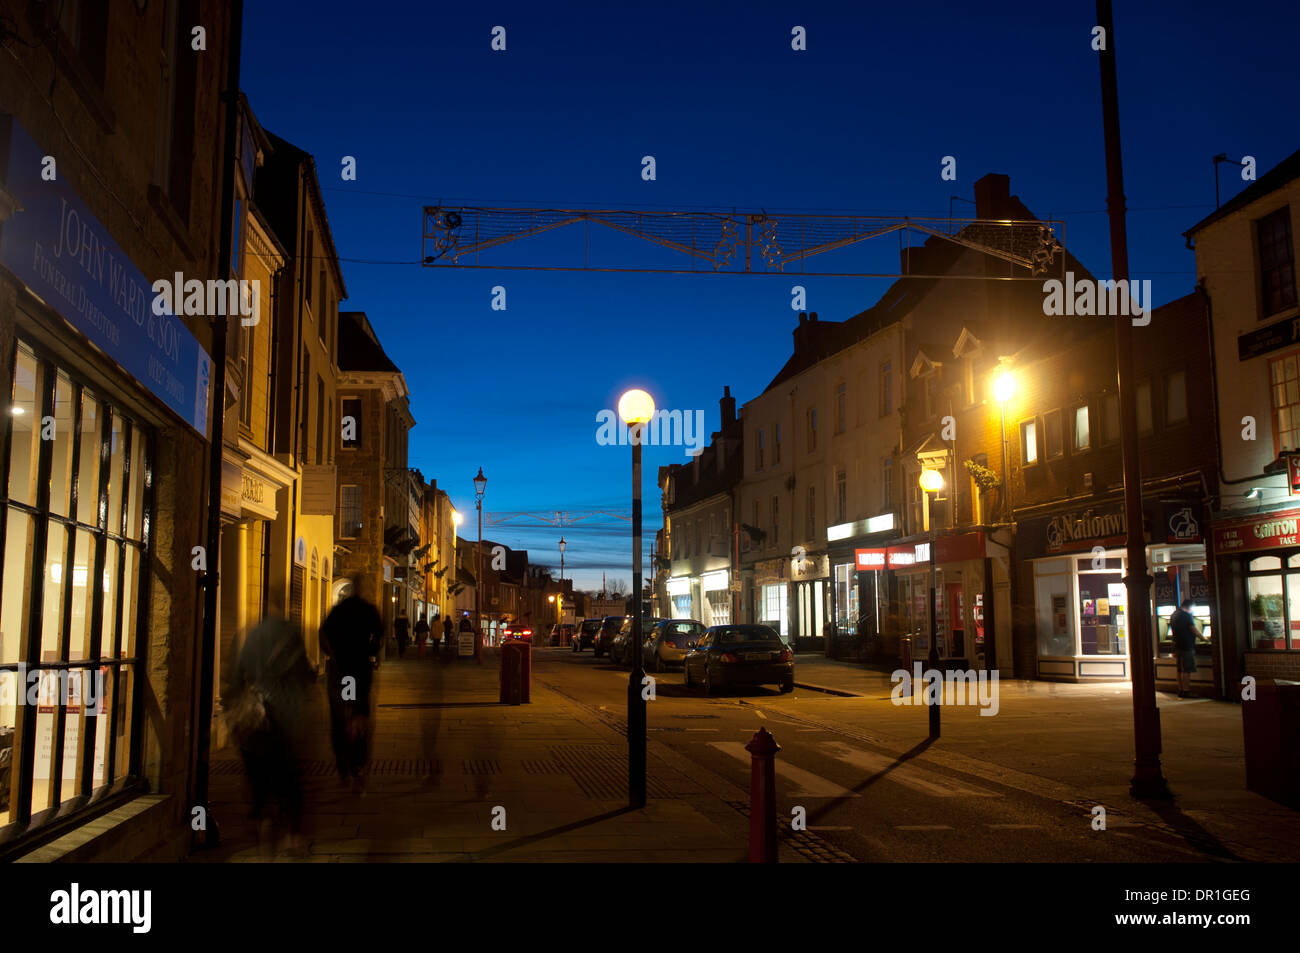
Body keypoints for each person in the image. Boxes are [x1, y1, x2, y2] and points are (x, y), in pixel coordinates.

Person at [229, 610, 314, 856]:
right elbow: (304, 673)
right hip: (287, 720)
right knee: (289, 778)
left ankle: (263, 825)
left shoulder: (252, 636)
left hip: (256, 722)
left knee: (258, 778)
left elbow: (235, 677)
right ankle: (292, 835)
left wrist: (237, 704)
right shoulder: (291, 636)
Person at [319, 577, 384, 790]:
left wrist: (332, 654)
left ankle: (343, 763)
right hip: (359, 669)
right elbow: (379, 635)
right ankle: (357, 761)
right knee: (359, 714)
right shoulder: (368, 610)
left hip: (342, 670)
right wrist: (371, 652)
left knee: (341, 715)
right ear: (361, 588)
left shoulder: (340, 610)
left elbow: (323, 634)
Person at [1170, 598, 1200, 698]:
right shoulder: (1187, 615)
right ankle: (1186, 691)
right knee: (1186, 670)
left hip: (1177, 646)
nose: (1193, 611)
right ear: (1189, 607)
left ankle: (1180, 690)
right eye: (1193, 609)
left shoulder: (1174, 614)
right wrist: (1204, 638)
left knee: (1179, 670)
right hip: (1187, 646)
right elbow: (1194, 630)